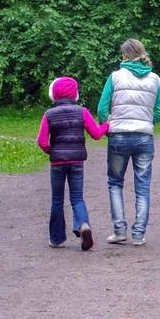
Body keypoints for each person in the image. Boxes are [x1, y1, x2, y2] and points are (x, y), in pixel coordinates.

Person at [97, 38, 160, 246]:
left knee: (115, 182)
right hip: (144, 137)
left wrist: (108, 126)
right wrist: (147, 121)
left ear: (124, 55)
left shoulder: (115, 77)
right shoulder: (155, 79)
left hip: (118, 135)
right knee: (143, 186)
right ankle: (138, 234)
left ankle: (119, 231)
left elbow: (102, 108)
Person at [37, 76, 109, 250]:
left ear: (54, 95)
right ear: (75, 94)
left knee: (57, 200)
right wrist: (107, 125)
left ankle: (56, 239)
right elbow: (97, 134)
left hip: (57, 163)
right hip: (77, 162)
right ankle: (84, 224)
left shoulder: (49, 114)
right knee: (77, 197)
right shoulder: (82, 111)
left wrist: (51, 151)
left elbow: (42, 141)